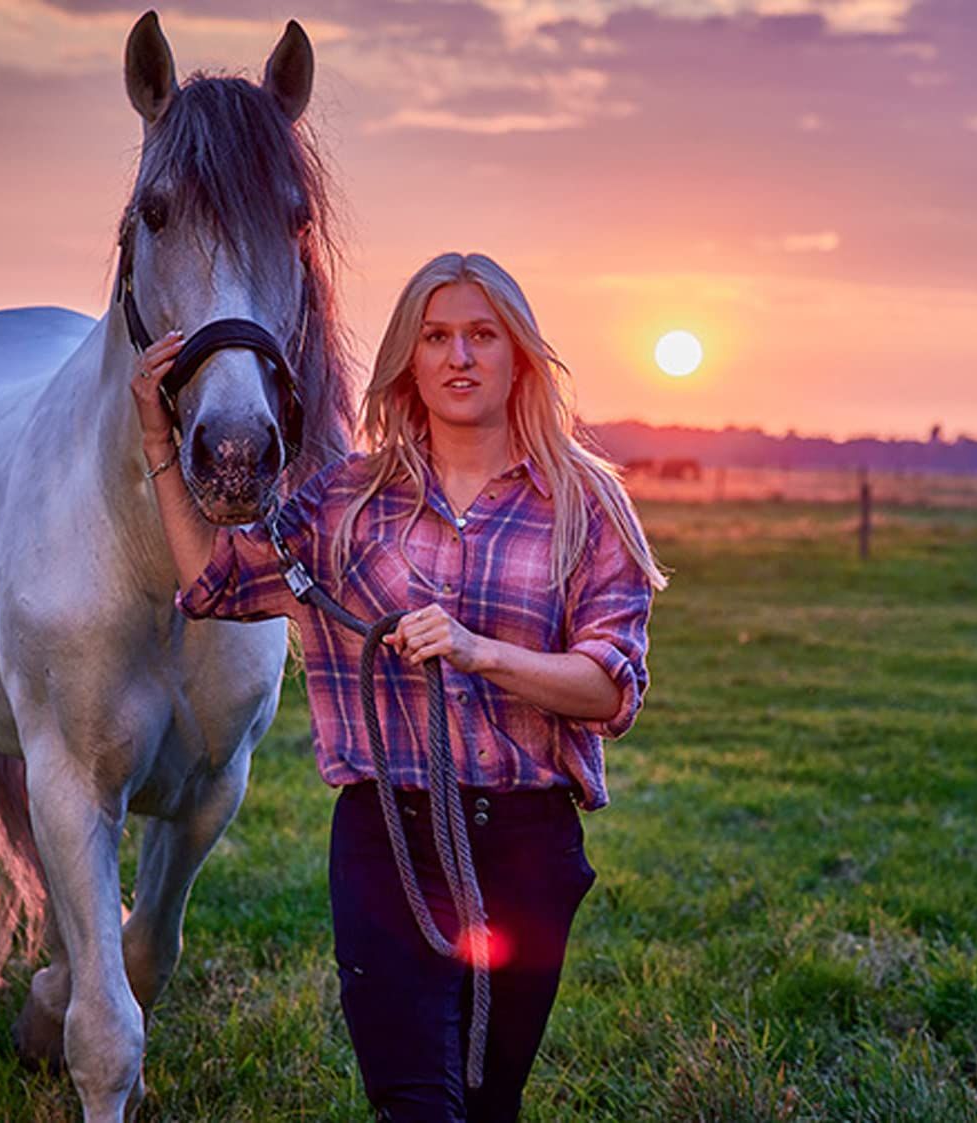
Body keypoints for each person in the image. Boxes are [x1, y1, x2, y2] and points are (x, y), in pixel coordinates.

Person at [130, 252, 665, 1122]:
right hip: (389, 837)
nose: (460, 356)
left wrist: (476, 650)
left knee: (490, 1102)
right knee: (416, 1102)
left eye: (482, 335)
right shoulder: (346, 499)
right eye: (437, 336)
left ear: (519, 355)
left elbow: (609, 690)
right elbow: (219, 584)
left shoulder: (586, 503)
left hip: (529, 846)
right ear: (408, 361)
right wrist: (160, 441)